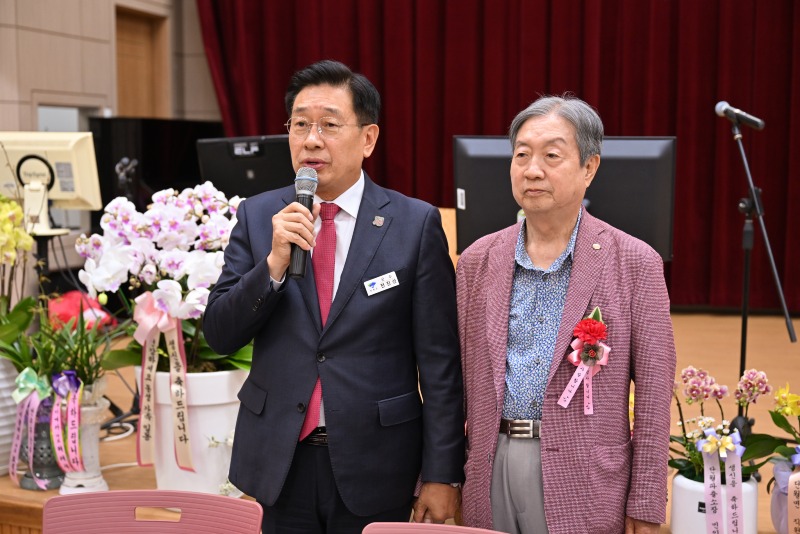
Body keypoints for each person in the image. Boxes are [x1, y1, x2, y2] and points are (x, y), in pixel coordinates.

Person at [203, 59, 464, 533]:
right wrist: (273, 266)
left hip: (377, 463)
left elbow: (441, 364)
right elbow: (220, 332)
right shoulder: (260, 216)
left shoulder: (414, 224)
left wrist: (442, 474)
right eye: (300, 124)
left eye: (328, 124)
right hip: (278, 462)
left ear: (368, 138)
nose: (311, 139)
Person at [456, 95, 676, 534]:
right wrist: (441, 475)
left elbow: (653, 396)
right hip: (489, 463)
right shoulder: (478, 259)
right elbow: (455, 383)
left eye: (551, 156)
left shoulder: (635, 262)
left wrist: (647, 500)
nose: (532, 169)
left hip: (586, 478)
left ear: (589, 167)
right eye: (521, 155)